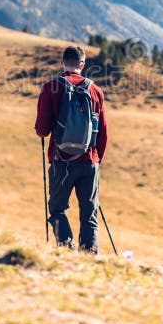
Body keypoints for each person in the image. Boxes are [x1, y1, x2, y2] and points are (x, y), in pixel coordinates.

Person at [35, 46, 109, 253]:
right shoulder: (96, 91)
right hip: (89, 161)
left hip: (62, 161)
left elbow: (42, 129)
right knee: (89, 215)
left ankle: (68, 251)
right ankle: (89, 256)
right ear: (82, 65)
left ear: (62, 63)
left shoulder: (51, 88)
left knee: (58, 209)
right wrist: (95, 161)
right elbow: (103, 134)